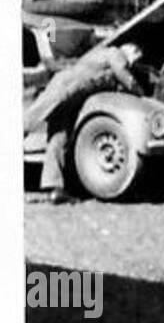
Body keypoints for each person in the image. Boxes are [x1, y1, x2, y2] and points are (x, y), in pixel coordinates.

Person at [23, 41, 144, 202]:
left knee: (59, 137)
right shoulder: (116, 53)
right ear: (131, 51)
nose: (133, 63)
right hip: (65, 88)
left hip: (70, 92)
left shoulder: (99, 55)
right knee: (30, 120)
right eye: (135, 58)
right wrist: (138, 91)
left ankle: (55, 188)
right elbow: (122, 72)